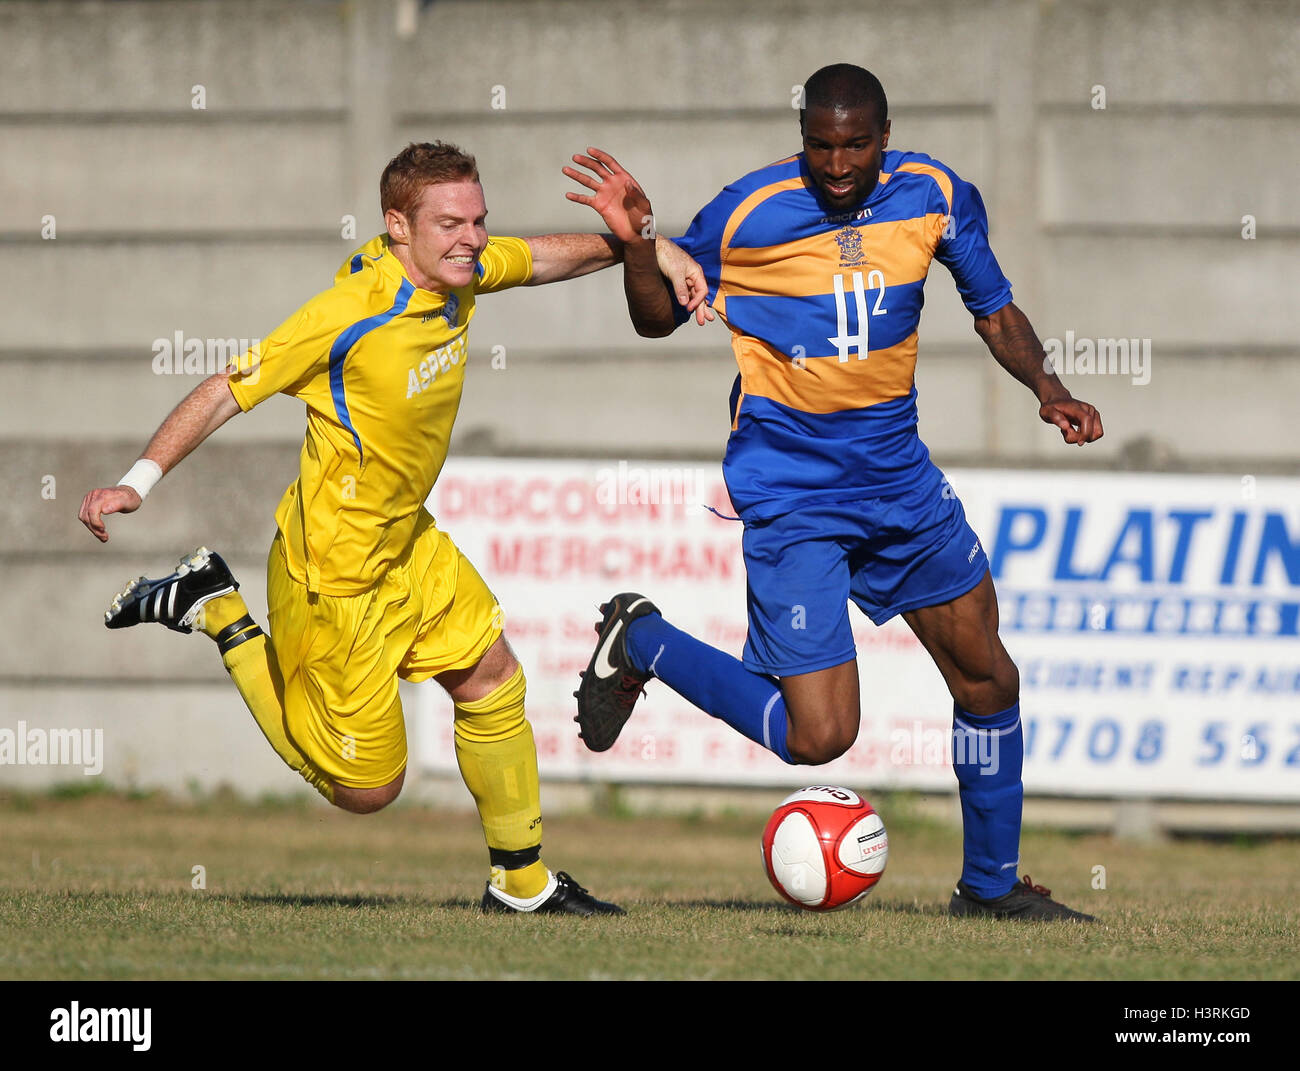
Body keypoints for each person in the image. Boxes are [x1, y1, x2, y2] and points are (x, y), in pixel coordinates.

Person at [78, 140, 706, 916]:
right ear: (396, 226)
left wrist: (650, 246)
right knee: (369, 790)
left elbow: (544, 258)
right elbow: (223, 389)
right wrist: (136, 481)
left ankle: (521, 884)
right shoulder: (351, 313)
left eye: (479, 219)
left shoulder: (458, 271)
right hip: (332, 577)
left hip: (406, 543)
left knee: (492, 677)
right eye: (450, 223)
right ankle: (219, 611)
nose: (472, 238)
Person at [566, 64, 1103, 921]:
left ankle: (989, 889)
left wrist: (1049, 387)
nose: (838, 162)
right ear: (802, 135)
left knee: (988, 678)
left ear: (885, 138)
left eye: (856, 144)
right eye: (821, 144)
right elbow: (654, 318)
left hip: (898, 480)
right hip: (793, 490)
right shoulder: (748, 211)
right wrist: (639, 247)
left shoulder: (934, 195)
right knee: (820, 737)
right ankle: (644, 641)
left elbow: (994, 309)